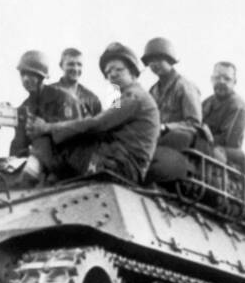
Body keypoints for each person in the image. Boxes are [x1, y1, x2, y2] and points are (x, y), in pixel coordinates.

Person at [28, 42, 160, 184]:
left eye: (118, 70)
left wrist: (47, 127)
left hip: (120, 168)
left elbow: (97, 123)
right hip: (119, 164)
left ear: (133, 72)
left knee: (50, 143)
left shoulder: (133, 97)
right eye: (108, 72)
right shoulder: (129, 96)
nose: (112, 75)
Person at [10, 50, 81, 183]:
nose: (25, 79)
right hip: (41, 167)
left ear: (41, 77)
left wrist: (44, 133)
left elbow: (74, 133)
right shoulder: (24, 108)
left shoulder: (63, 98)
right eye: (22, 74)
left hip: (68, 165)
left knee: (41, 141)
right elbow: (18, 145)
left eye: (31, 74)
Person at [142, 37, 204, 152]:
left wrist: (166, 128)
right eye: (151, 61)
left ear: (170, 60)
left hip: (177, 140)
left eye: (159, 59)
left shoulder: (185, 86)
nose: (154, 64)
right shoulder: (153, 90)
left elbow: (194, 123)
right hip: (156, 137)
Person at [202, 61, 245, 171]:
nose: (221, 81)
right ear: (211, 79)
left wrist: (204, 136)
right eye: (217, 78)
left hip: (228, 155)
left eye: (226, 79)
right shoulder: (207, 102)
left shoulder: (238, 107)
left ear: (234, 82)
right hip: (207, 147)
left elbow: (228, 141)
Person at [51, 48, 103, 118]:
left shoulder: (92, 98)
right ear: (61, 65)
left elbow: (101, 124)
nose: (75, 69)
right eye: (71, 64)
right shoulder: (48, 92)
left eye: (79, 64)